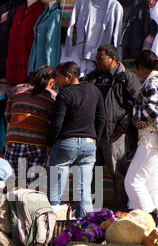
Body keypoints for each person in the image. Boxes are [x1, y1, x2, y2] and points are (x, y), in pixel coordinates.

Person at [124, 50, 158, 226]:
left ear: (141, 68)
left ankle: (150, 219)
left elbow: (152, 110)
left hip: (152, 139)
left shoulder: (152, 82)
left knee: (132, 182)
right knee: (155, 187)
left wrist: (132, 111)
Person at [46, 62, 107, 215]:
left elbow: (56, 123)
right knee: (84, 191)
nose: (56, 81)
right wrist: (95, 139)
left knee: (56, 188)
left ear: (69, 77)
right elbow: (102, 118)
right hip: (89, 144)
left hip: (66, 143)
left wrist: (49, 143)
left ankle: (52, 226)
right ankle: (86, 228)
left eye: (58, 77)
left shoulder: (65, 94)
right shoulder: (94, 91)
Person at [87, 44, 141, 211]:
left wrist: (124, 124)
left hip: (115, 134)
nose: (96, 62)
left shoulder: (127, 78)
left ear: (113, 59)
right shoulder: (93, 77)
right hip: (95, 134)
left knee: (119, 174)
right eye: (96, 59)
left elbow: (137, 103)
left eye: (100, 58)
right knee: (92, 175)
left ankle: (120, 213)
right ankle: (94, 213)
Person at [2, 66, 56, 188]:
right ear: (51, 81)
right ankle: (29, 205)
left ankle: (10, 206)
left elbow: (7, 115)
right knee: (33, 182)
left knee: (11, 180)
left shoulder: (17, 90)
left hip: (15, 140)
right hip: (38, 143)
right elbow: (53, 122)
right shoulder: (52, 96)